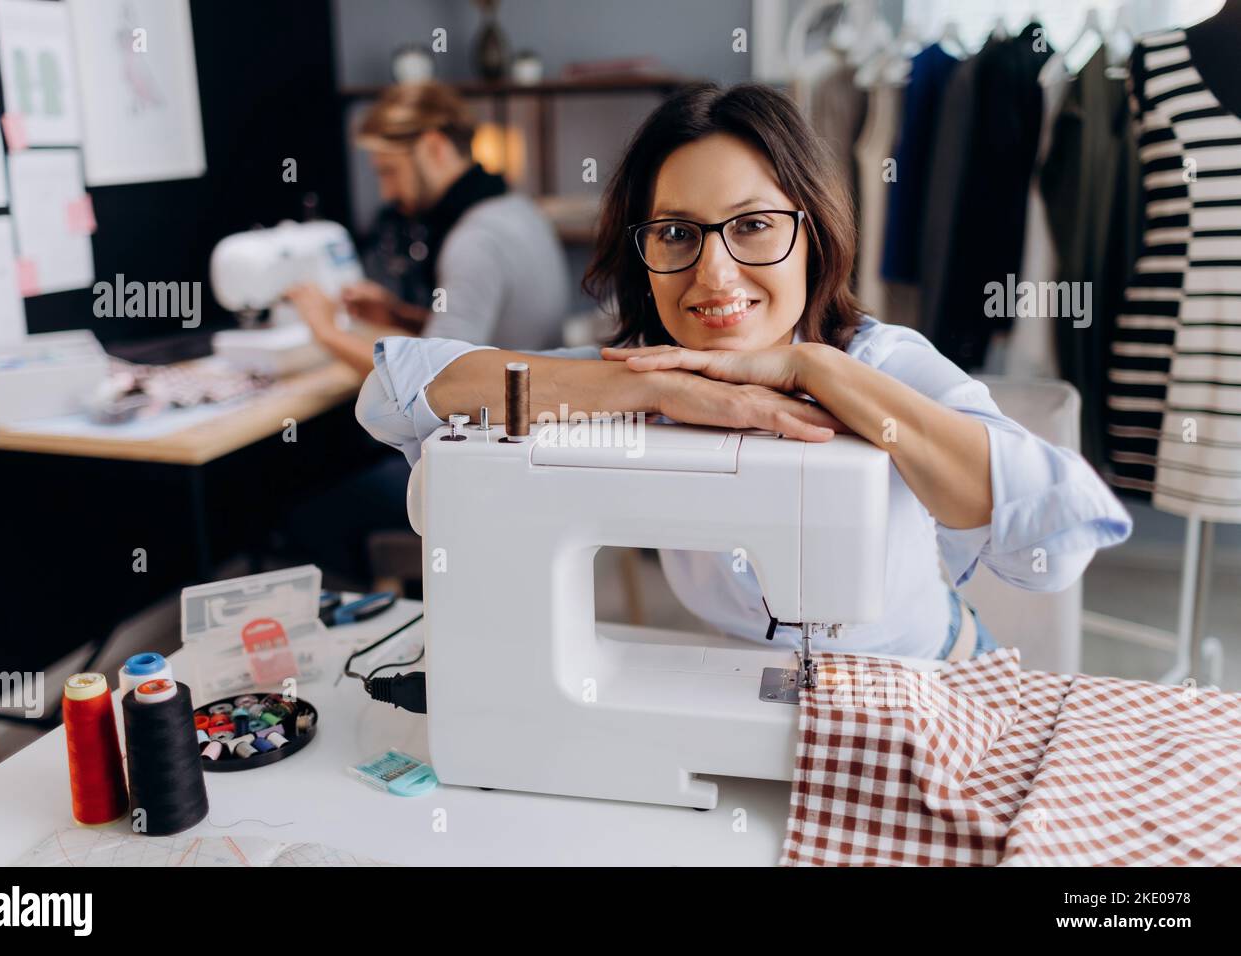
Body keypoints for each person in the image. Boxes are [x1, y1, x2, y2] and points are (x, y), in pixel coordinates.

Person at [356, 83, 1133, 661]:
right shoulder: (647, 369)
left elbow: (1054, 542)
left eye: (754, 225)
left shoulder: (880, 364)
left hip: (932, 688)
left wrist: (811, 367)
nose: (716, 276)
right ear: (644, 253)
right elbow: (396, 390)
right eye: (676, 233)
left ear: (813, 233)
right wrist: (651, 387)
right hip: (743, 700)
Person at [278, 82, 569, 589]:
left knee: (308, 513)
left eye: (389, 171)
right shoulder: (515, 211)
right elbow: (479, 339)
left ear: (433, 147)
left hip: (500, 466)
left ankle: (382, 625)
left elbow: (437, 382)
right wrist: (397, 313)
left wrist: (324, 330)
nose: (388, 193)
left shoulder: (473, 240)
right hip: (544, 441)